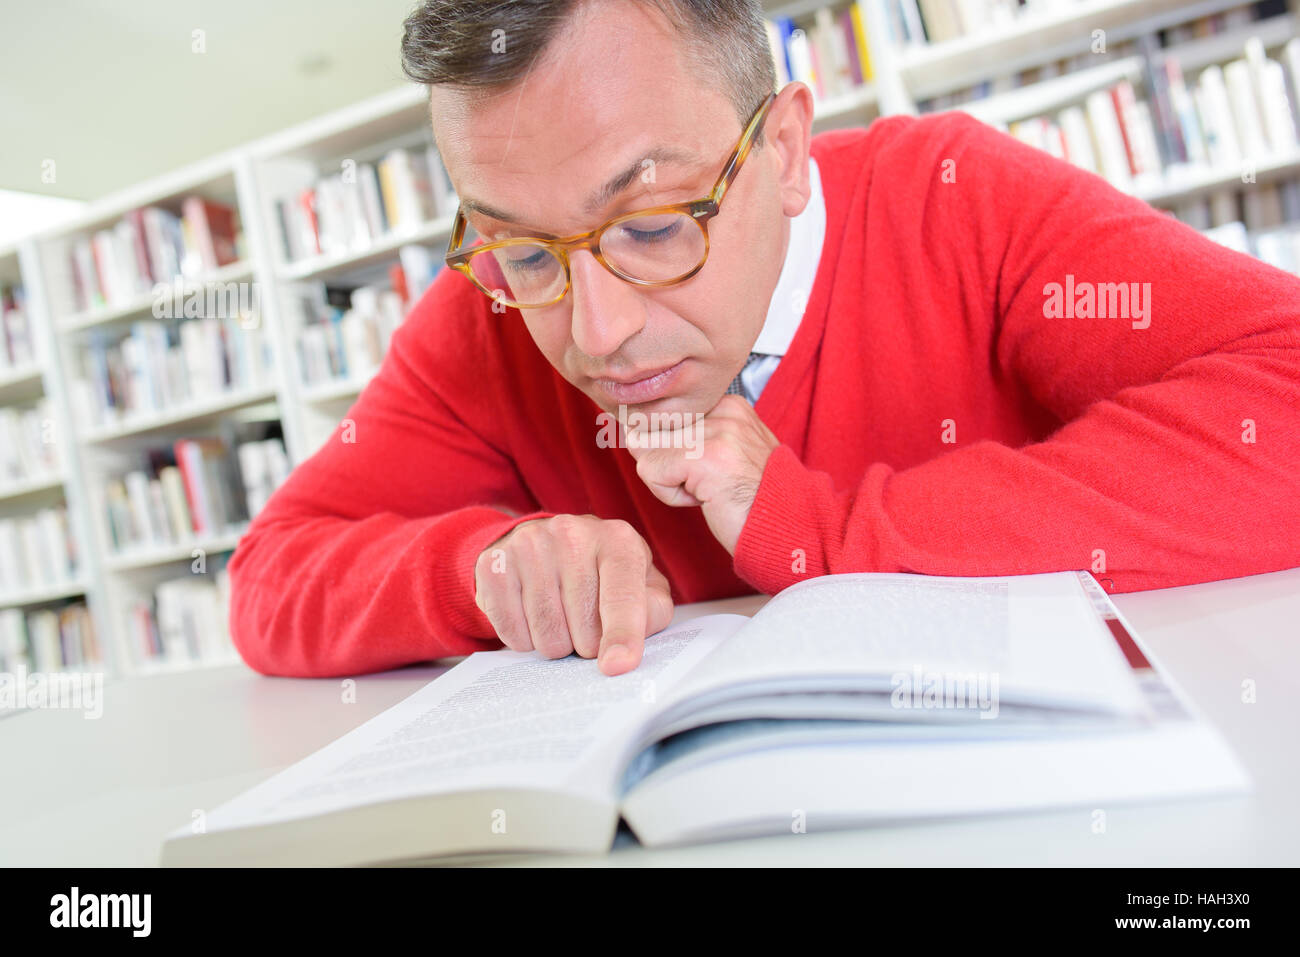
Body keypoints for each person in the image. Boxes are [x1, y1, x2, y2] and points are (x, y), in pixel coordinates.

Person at [228, 0, 1300, 679]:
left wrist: (819, 533)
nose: (600, 337)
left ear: (785, 150)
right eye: (524, 250)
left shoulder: (948, 194)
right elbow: (270, 577)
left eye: (652, 228)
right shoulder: (487, 310)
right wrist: (486, 568)